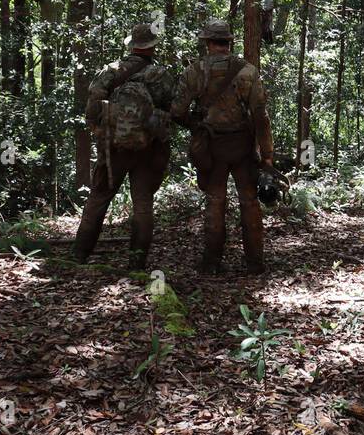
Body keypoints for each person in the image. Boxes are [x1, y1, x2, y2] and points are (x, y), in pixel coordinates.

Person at [170, 19, 276, 275]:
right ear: (229, 42)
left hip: (212, 148)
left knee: (215, 202)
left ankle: (211, 264)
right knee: (249, 202)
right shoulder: (248, 72)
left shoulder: (194, 71)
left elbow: (177, 110)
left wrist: (197, 126)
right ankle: (255, 264)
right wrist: (268, 157)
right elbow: (261, 116)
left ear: (208, 43)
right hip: (242, 146)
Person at [73, 23, 176, 270]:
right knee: (143, 203)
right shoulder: (160, 75)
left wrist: (102, 133)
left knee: (98, 198)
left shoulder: (109, 71)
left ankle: (78, 256)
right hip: (147, 149)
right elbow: (173, 110)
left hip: (113, 149)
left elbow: (92, 109)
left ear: (132, 45)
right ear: (152, 47)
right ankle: (137, 262)